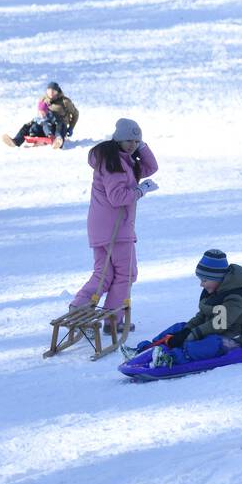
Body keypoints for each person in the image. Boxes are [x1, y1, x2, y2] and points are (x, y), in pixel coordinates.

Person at [68, 120, 159, 334]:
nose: (132, 145)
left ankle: (79, 308)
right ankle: (113, 320)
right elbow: (118, 197)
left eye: (137, 141)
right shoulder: (116, 165)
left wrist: (142, 146)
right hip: (116, 229)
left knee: (105, 273)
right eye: (129, 140)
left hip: (104, 227)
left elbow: (151, 167)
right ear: (118, 138)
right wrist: (141, 190)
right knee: (127, 274)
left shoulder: (118, 161)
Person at [130, 250, 242, 368]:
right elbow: (202, 316)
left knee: (209, 343)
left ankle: (169, 358)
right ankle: (149, 349)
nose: (201, 284)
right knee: (180, 327)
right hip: (217, 329)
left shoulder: (234, 297)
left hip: (236, 337)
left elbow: (219, 324)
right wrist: (187, 330)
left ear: (218, 278)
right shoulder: (212, 290)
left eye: (205, 280)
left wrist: (194, 334)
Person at [3, 82, 80, 148]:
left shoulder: (65, 101)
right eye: (49, 90)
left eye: (53, 90)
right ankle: (15, 142)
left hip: (60, 126)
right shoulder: (43, 99)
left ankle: (58, 142)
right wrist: (32, 123)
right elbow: (41, 114)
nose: (51, 92)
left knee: (60, 127)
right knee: (27, 126)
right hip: (46, 125)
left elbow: (76, 113)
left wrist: (71, 127)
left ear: (57, 91)